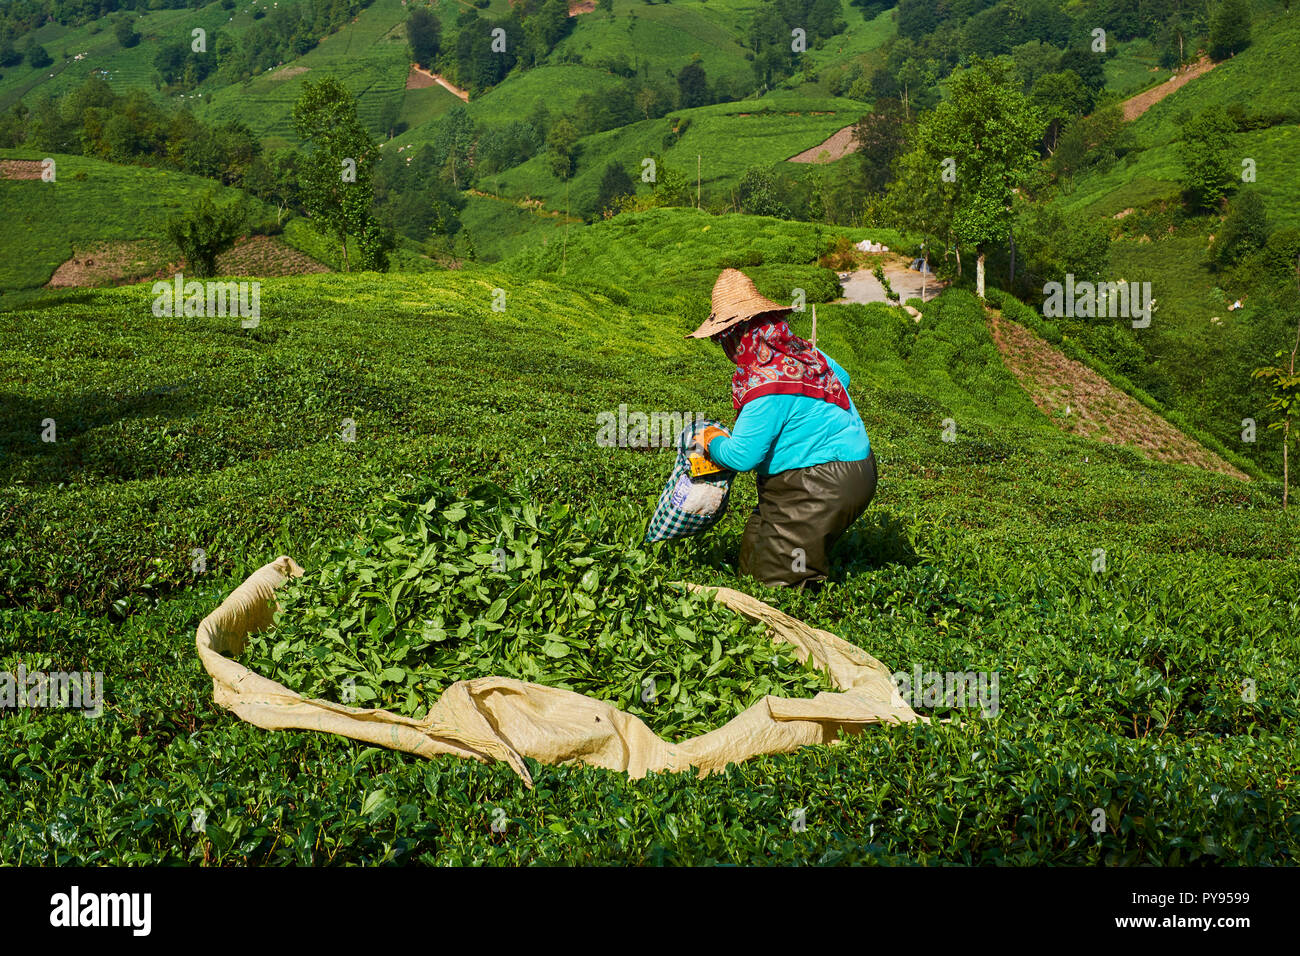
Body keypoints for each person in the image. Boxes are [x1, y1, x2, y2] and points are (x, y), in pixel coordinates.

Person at [685, 269, 877, 589]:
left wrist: (709, 439)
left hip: (820, 481)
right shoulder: (801, 351)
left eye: (724, 338)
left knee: (782, 578)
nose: (725, 347)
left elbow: (743, 456)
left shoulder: (766, 384)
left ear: (737, 335)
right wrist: (807, 424)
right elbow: (841, 378)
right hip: (850, 468)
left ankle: (795, 630)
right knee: (755, 550)